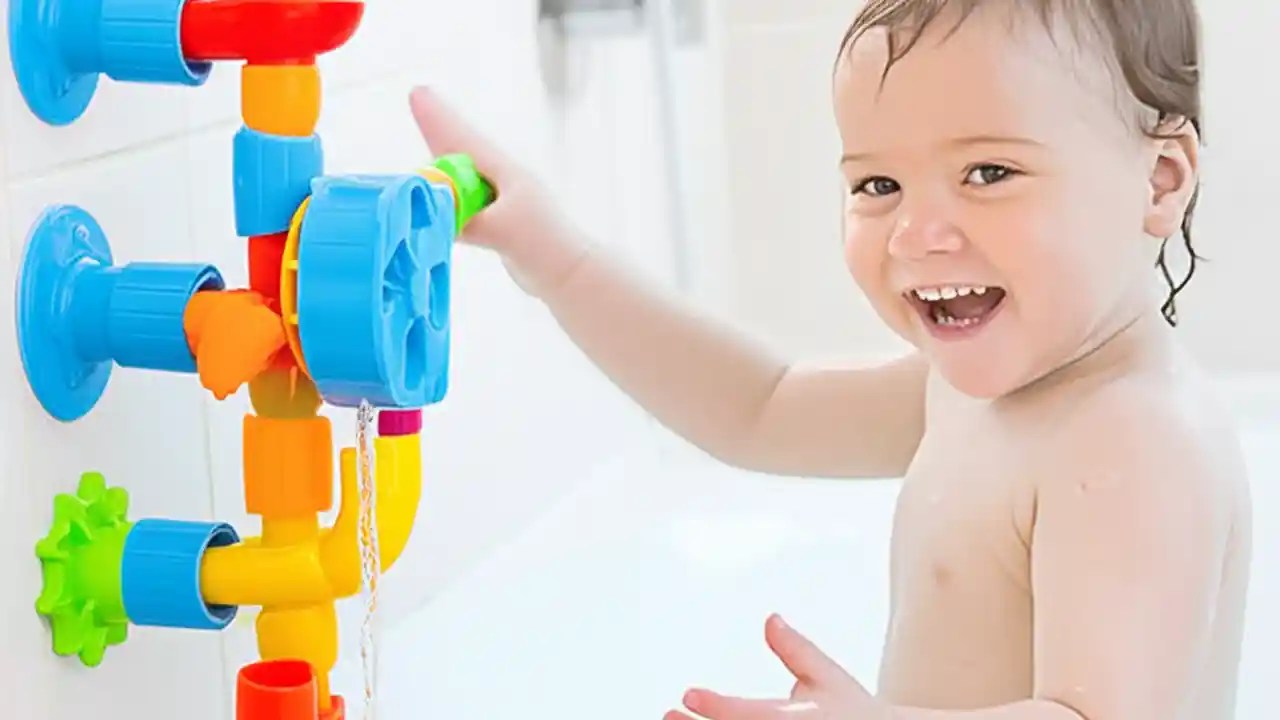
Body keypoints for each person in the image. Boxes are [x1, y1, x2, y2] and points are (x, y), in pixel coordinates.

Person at [408, 0, 1252, 717]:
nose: (916, 234)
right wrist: (558, 259)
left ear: (1160, 181)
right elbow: (757, 408)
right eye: (877, 185)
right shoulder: (976, 395)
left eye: (988, 171)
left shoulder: (1133, 442)